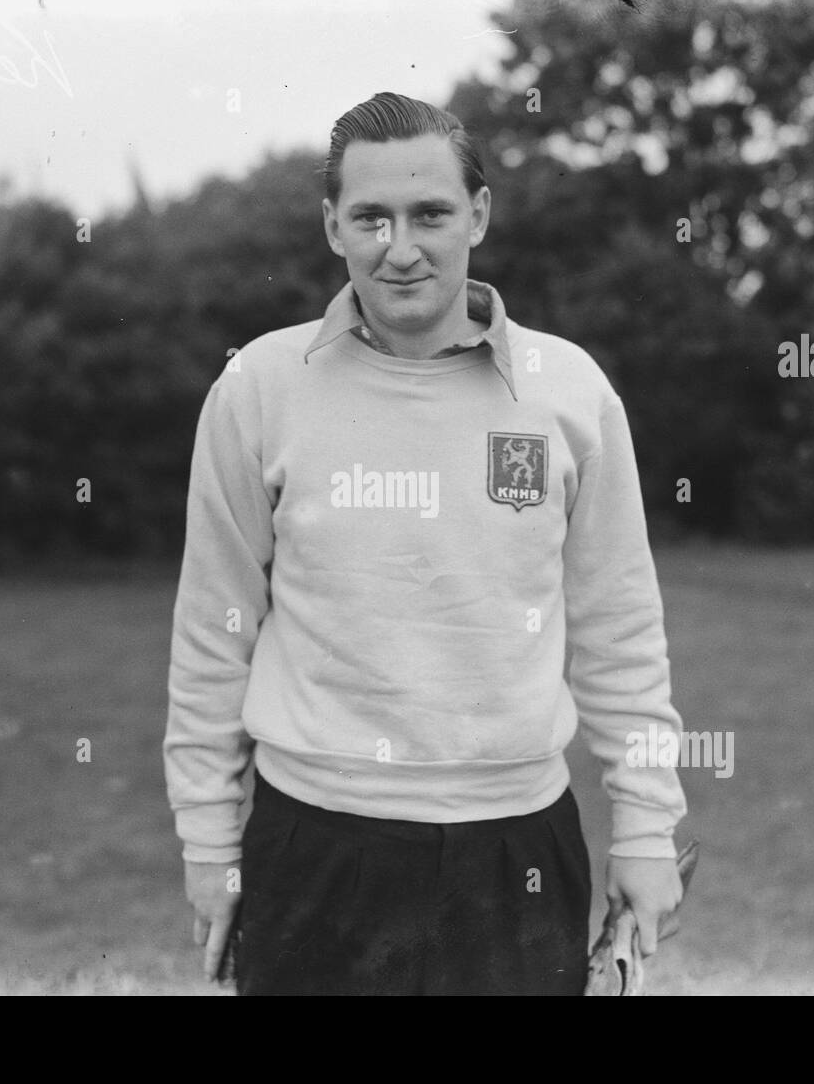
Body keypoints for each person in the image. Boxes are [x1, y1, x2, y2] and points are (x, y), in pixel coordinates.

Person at [164, 92, 687, 996]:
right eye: (370, 216)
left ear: (477, 215)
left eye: (430, 214)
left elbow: (621, 629)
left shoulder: (568, 391)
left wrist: (645, 828)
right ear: (333, 226)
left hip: (515, 849)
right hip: (312, 842)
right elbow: (213, 635)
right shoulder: (259, 388)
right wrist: (210, 842)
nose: (399, 248)